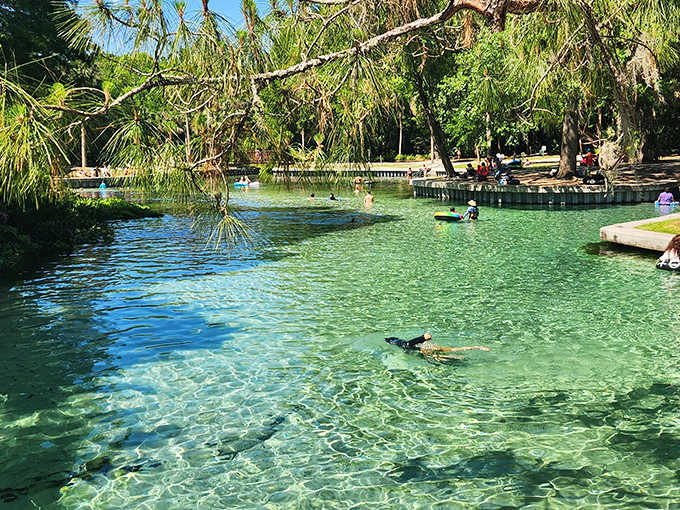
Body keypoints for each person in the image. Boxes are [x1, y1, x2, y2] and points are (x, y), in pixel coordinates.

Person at [385, 332, 490, 362]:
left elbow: (456, 349)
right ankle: (457, 358)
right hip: (416, 345)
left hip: (420, 345)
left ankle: (457, 358)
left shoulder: (430, 349)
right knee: (439, 357)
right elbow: (407, 344)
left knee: (439, 356)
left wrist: (477, 347)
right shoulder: (419, 350)